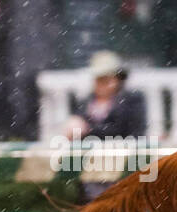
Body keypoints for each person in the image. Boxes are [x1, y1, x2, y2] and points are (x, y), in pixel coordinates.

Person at [63, 50, 148, 202]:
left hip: (121, 169)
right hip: (91, 171)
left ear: (117, 79)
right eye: (98, 79)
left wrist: (89, 129)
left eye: (106, 79)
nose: (102, 84)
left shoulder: (131, 101)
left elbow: (130, 133)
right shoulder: (85, 102)